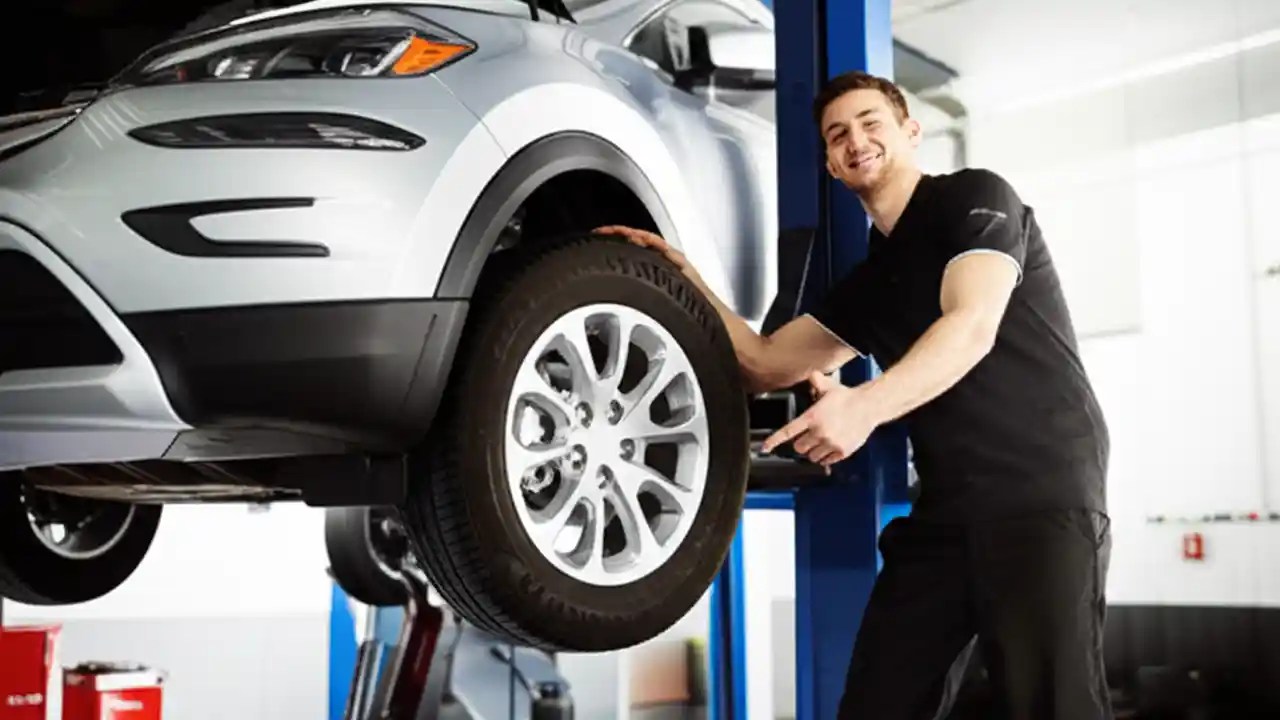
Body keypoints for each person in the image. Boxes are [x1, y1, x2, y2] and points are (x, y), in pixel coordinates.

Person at [595, 70, 1113, 720]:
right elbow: (765, 362)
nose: (855, 141)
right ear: (832, 166)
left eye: (871, 123)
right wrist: (682, 275)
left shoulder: (974, 199)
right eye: (837, 135)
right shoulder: (874, 282)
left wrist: (861, 407)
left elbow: (972, 325)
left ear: (911, 131)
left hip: (1040, 497)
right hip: (947, 512)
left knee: (1054, 708)